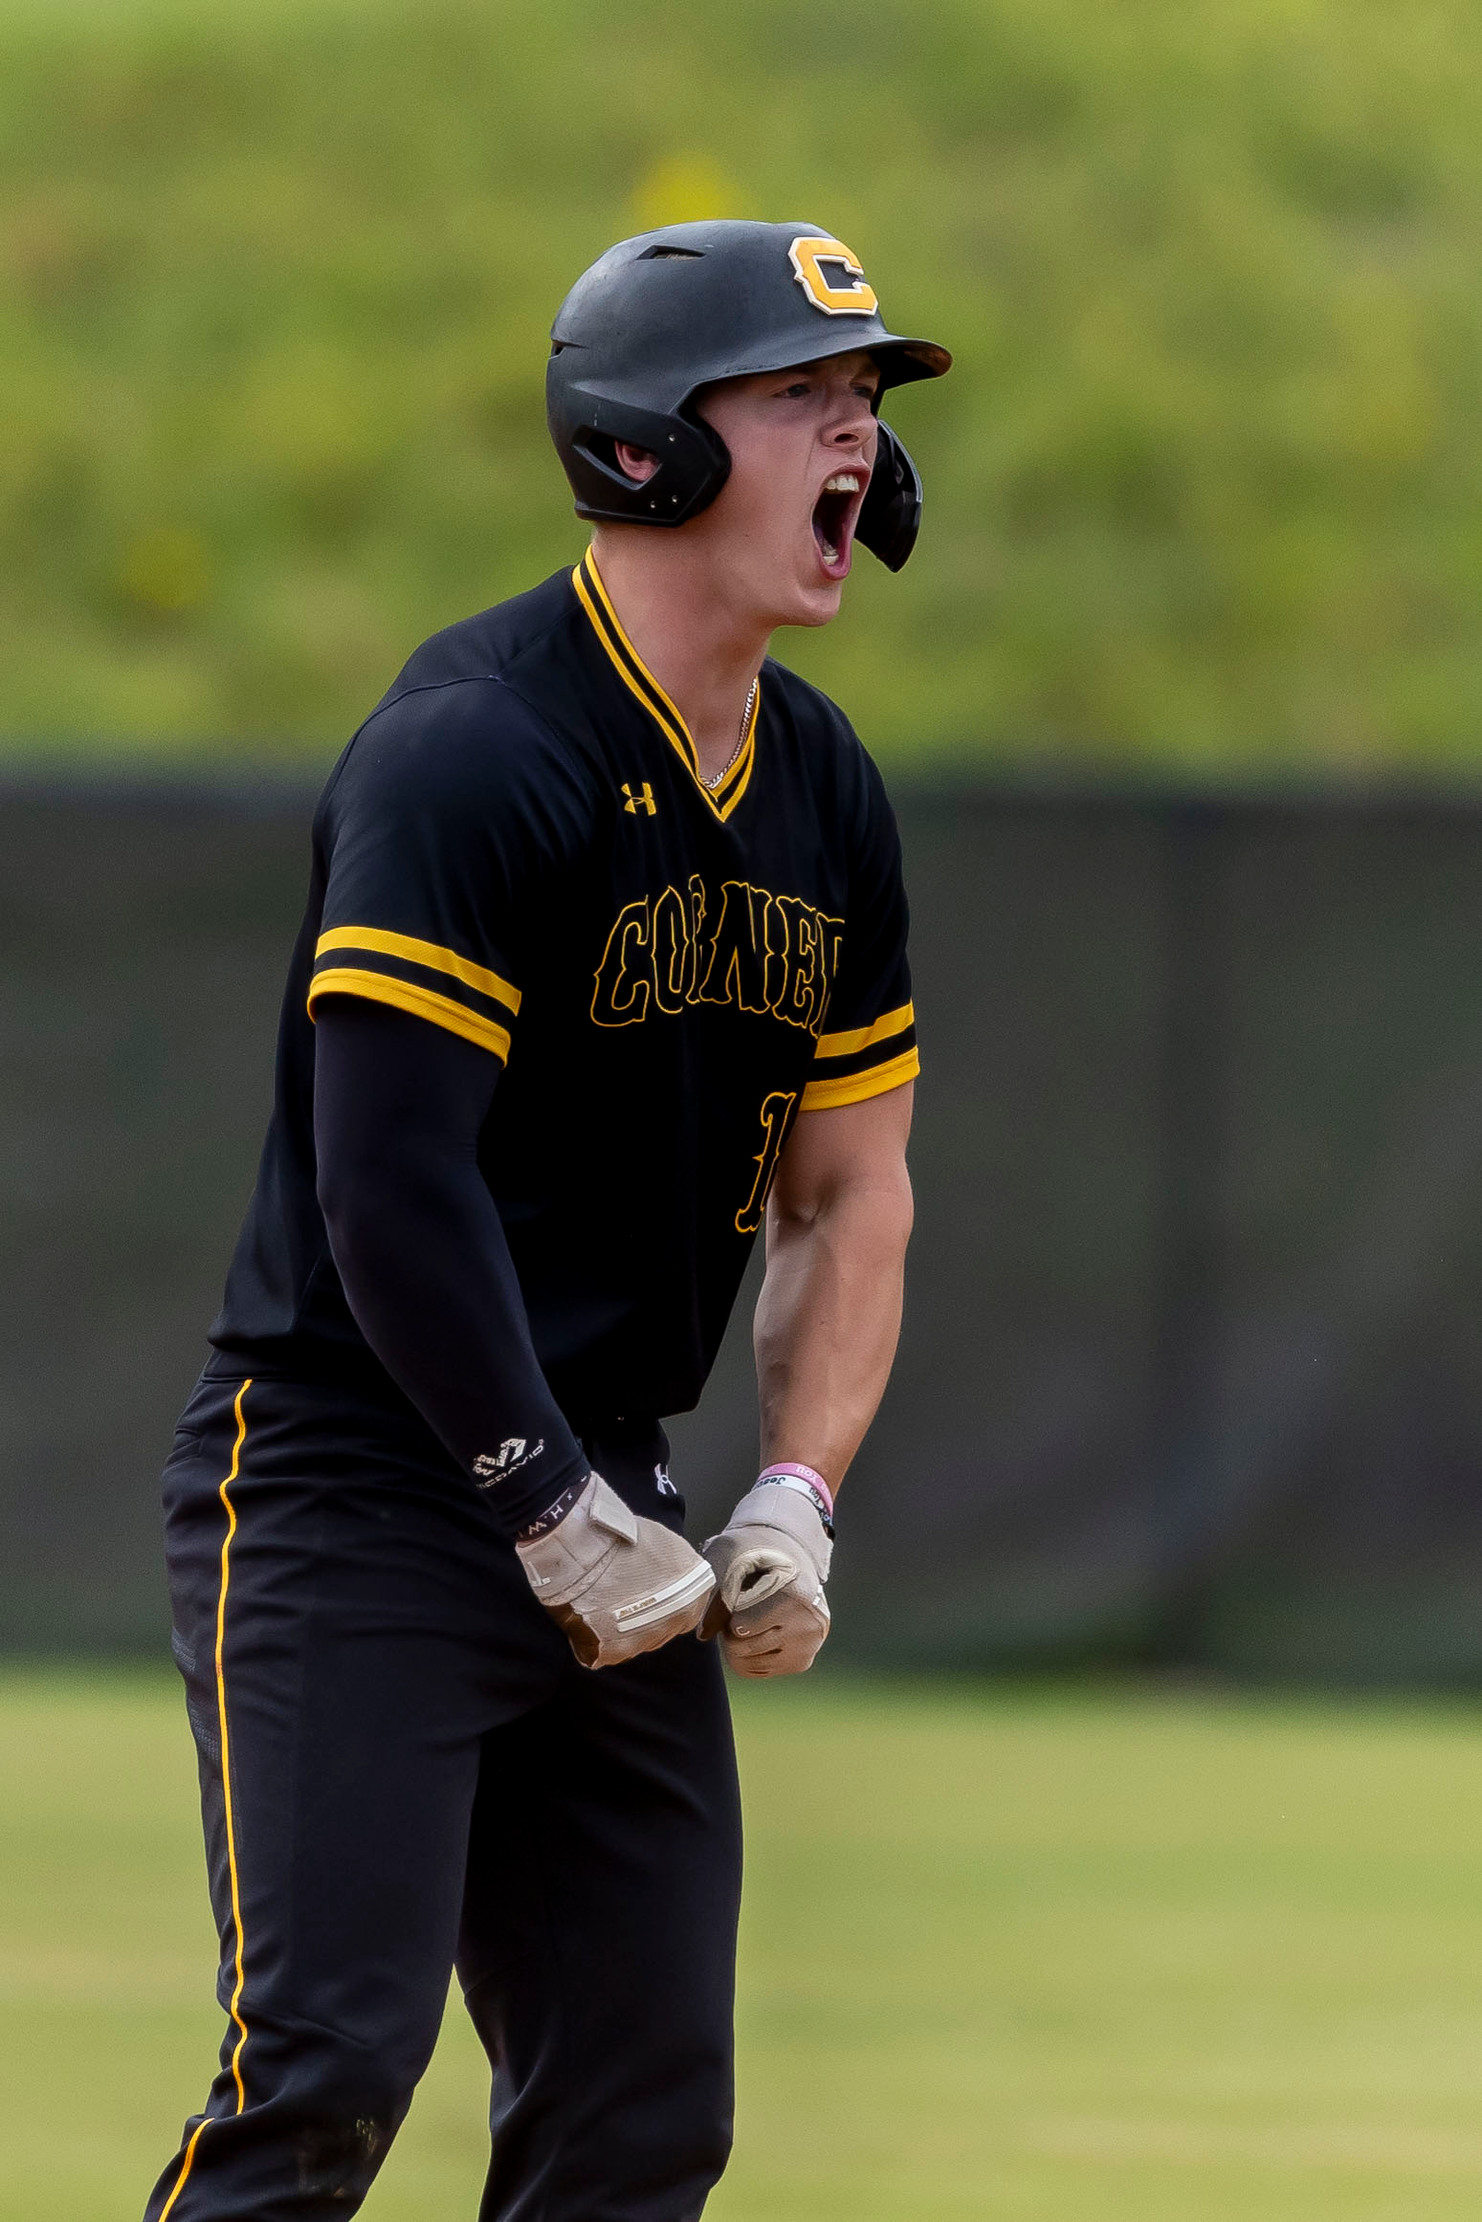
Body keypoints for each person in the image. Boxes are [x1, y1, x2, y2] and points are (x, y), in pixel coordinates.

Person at [144, 217, 950, 2222]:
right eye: (801, 398)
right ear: (646, 449)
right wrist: (533, 1495)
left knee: (641, 2106)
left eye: (866, 405)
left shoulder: (825, 791)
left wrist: (793, 1495)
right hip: (355, 1472)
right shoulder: (474, 748)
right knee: (321, 2065)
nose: (858, 440)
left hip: (611, 1489)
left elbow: (851, 1191)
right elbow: (385, 1179)